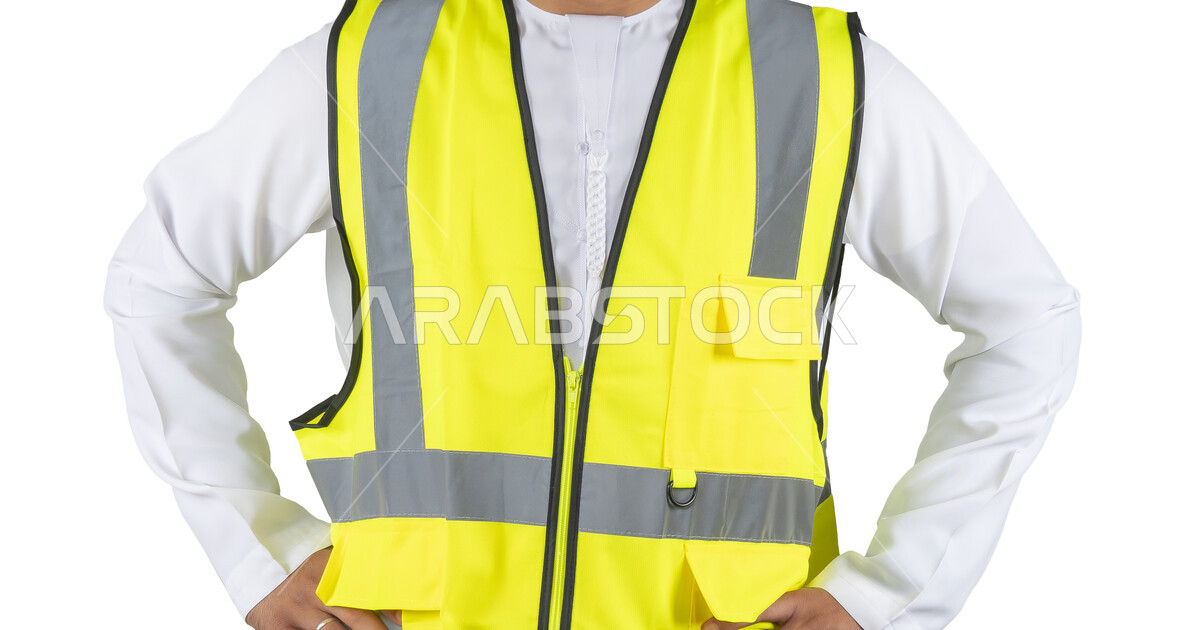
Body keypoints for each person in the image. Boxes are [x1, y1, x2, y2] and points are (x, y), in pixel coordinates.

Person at [104, 0, 1081, 628]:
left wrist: (890, 596)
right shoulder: (370, 62)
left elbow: (1028, 322)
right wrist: (254, 549)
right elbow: (158, 280)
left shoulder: (816, 75)